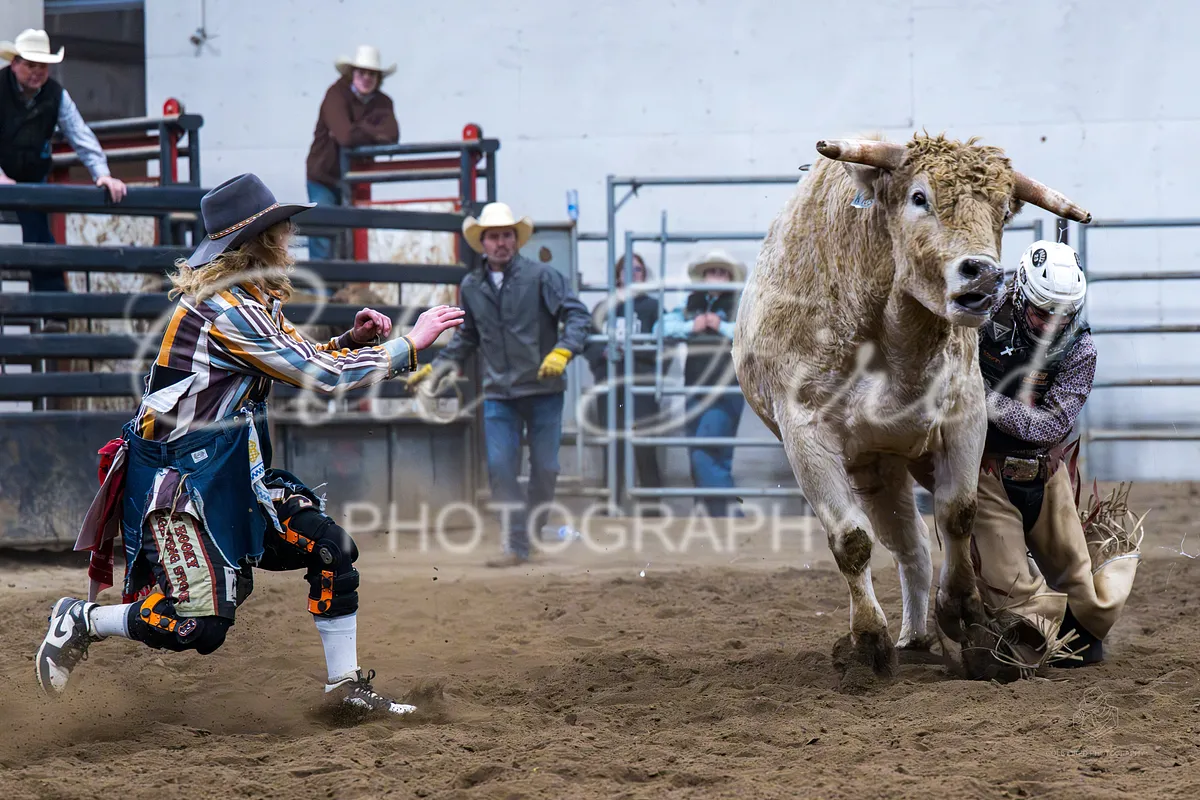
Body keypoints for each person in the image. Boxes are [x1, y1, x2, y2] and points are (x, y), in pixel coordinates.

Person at [34, 173, 464, 717]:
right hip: (184, 484)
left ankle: (345, 689)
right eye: (281, 231)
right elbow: (317, 375)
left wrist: (348, 343)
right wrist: (409, 344)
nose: (288, 240)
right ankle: (82, 620)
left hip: (226, 473)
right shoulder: (228, 311)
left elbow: (294, 356)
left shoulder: (243, 302)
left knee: (330, 548)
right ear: (256, 242)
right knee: (200, 626)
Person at [971, 240, 1140, 669]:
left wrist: (983, 399)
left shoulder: (1081, 348)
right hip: (985, 475)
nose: (1053, 324)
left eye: (1063, 315)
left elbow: (1050, 425)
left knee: (1087, 606)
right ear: (1021, 293)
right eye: (1043, 312)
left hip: (1048, 474)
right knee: (1011, 593)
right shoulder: (976, 318)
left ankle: (1067, 637)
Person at [405, 202, 591, 567]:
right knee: (501, 466)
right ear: (483, 243)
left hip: (543, 390)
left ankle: (530, 533)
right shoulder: (472, 286)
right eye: (494, 236)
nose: (501, 242)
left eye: (507, 235)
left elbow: (577, 315)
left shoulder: (542, 276)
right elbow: (467, 337)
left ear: (515, 240)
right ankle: (518, 543)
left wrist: (563, 351)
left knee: (546, 468)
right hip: (499, 394)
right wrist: (437, 368)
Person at [0, 28, 128, 300]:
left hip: (30, 178)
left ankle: (53, 306)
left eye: (42, 66)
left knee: (39, 236)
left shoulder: (56, 95)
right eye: (31, 65)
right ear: (15, 64)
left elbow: (80, 135)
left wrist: (103, 174)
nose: (37, 72)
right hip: (6, 174)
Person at [654, 251, 746, 518]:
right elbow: (661, 328)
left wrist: (720, 326)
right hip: (695, 389)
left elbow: (748, 331)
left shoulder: (740, 305)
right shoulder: (690, 306)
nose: (716, 277)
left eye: (722, 272)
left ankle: (732, 520)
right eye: (711, 272)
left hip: (725, 389)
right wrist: (692, 326)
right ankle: (716, 520)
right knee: (706, 455)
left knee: (705, 452)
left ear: (730, 278)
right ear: (703, 277)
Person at [583, 252, 664, 508]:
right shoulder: (603, 307)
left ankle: (651, 505)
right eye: (625, 270)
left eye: (637, 270)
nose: (631, 274)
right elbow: (587, 341)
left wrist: (633, 350)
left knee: (644, 445)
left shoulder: (652, 307)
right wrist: (603, 353)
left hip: (640, 385)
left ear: (644, 275)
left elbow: (663, 346)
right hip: (609, 384)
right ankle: (611, 503)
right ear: (617, 275)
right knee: (612, 445)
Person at [304, 44, 399, 261]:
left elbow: (392, 135)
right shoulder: (335, 94)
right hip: (324, 177)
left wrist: (356, 129)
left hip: (357, 179)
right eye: (362, 73)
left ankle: (346, 290)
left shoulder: (383, 102)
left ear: (378, 78)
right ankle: (322, 291)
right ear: (352, 74)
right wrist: (372, 130)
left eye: (372, 74)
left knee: (356, 237)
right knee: (325, 236)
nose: (366, 78)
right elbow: (346, 137)